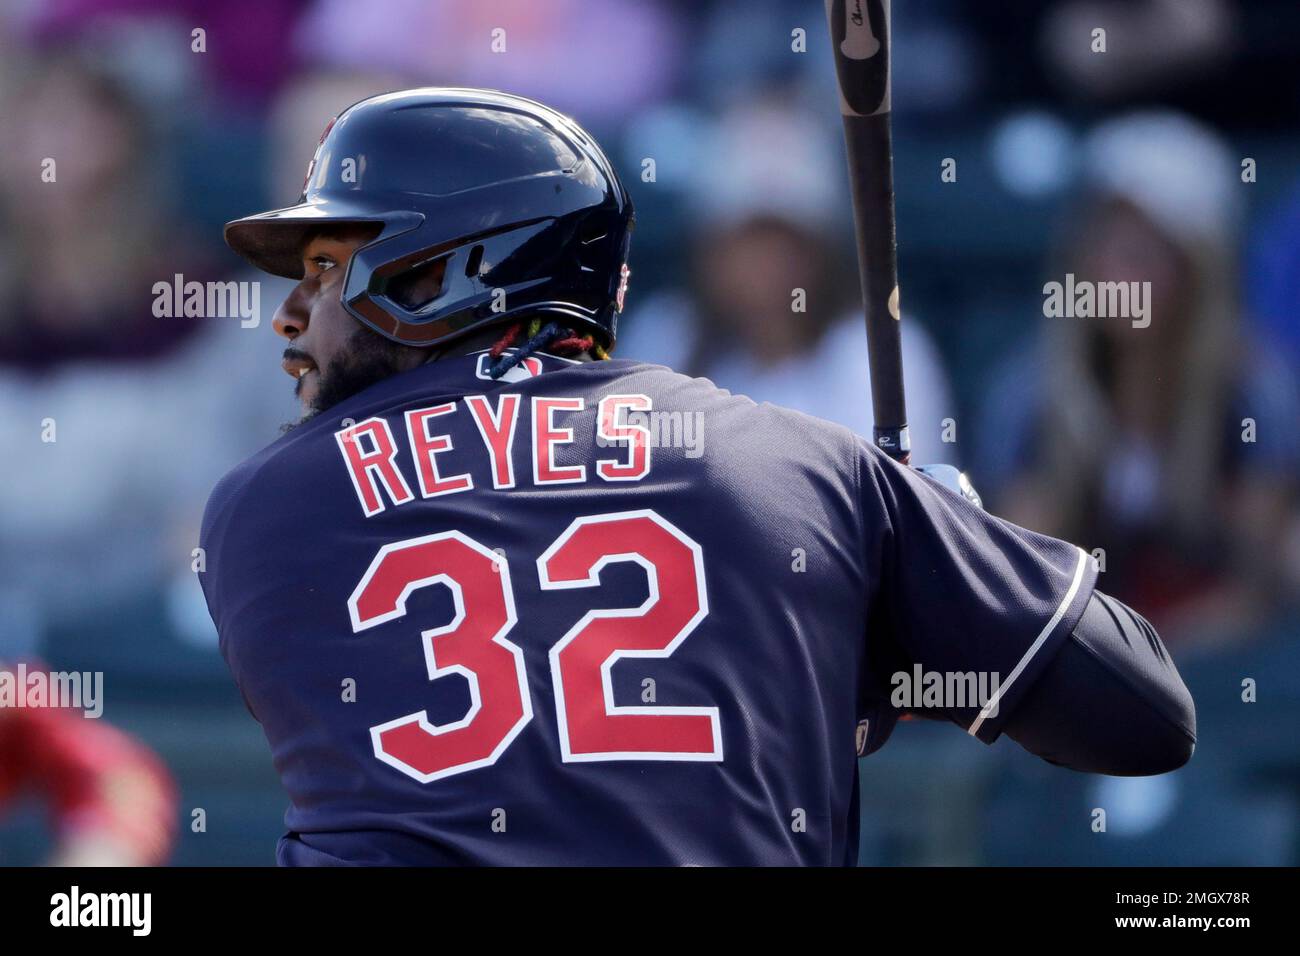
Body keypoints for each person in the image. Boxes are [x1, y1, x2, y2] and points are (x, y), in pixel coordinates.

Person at [201, 88, 1195, 866]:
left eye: (327, 266)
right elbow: (1143, 711)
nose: (292, 317)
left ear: (433, 276)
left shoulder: (259, 516)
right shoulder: (804, 469)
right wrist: (901, 570)